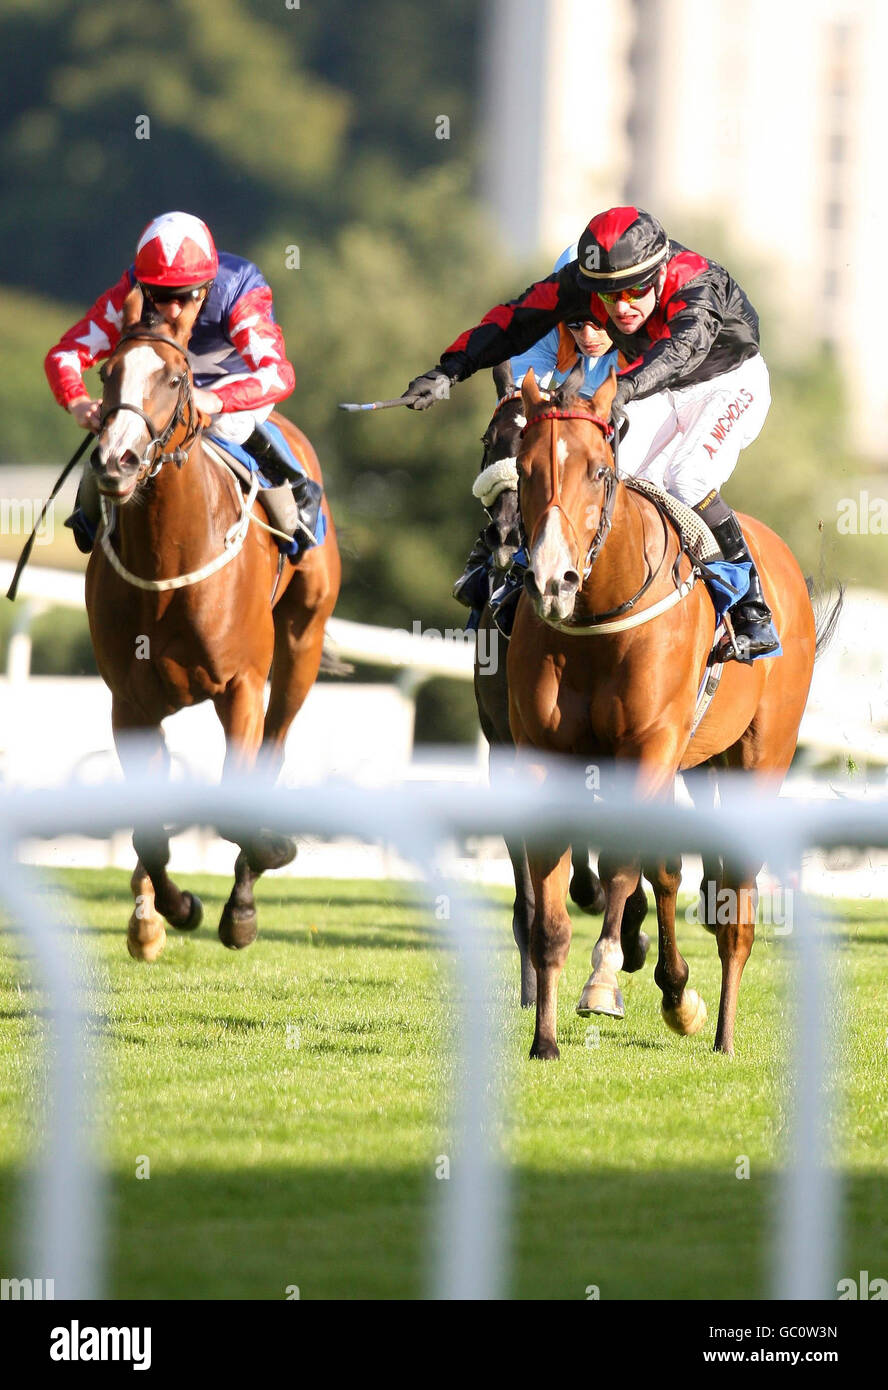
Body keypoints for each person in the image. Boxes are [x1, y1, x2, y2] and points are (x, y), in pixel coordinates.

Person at [405, 207, 779, 661]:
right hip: (656, 386)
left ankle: (752, 610)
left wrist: (621, 389)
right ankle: (528, 569)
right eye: (608, 294)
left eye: (636, 291)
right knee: (606, 477)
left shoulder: (697, 282)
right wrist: (450, 368)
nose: (621, 307)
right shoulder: (581, 285)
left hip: (728, 384)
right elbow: (515, 318)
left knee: (688, 478)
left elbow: (680, 350)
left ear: (660, 270)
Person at [44, 210, 321, 553]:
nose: (172, 310)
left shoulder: (239, 291)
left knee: (226, 427)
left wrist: (214, 399)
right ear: (143, 285)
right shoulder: (130, 291)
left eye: (185, 295)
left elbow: (278, 374)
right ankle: (91, 513)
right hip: (161, 381)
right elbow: (65, 355)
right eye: (160, 296)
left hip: (230, 384)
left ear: (207, 285)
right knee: (121, 426)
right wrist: (78, 401)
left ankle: (296, 486)